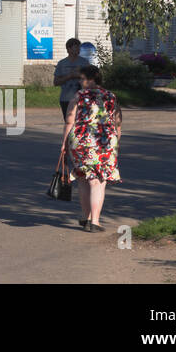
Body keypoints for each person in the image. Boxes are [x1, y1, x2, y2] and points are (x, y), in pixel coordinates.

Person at [61, 64, 122, 232]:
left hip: (81, 140)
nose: (80, 82)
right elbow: (117, 123)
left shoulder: (79, 96)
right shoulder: (111, 96)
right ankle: (95, 221)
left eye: (82, 78)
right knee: (98, 181)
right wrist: (116, 144)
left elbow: (69, 121)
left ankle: (86, 217)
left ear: (93, 78)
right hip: (104, 142)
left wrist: (64, 143)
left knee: (83, 179)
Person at [53, 37, 92, 120]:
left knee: (81, 123)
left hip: (82, 99)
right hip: (65, 99)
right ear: (68, 49)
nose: (78, 49)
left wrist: (80, 75)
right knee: (69, 123)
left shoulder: (84, 62)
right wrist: (69, 76)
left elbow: (91, 80)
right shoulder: (62, 63)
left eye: (79, 47)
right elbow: (55, 82)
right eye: (76, 47)